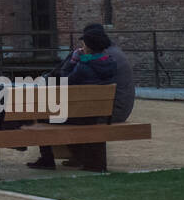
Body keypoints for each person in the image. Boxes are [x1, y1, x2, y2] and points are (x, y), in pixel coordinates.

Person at [28, 23, 119, 170]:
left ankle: (47, 159)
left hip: (80, 116)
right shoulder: (110, 63)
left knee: (41, 115)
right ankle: (79, 157)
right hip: (99, 115)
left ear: (88, 46)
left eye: (83, 44)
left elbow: (64, 82)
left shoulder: (83, 67)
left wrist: (73, 61)